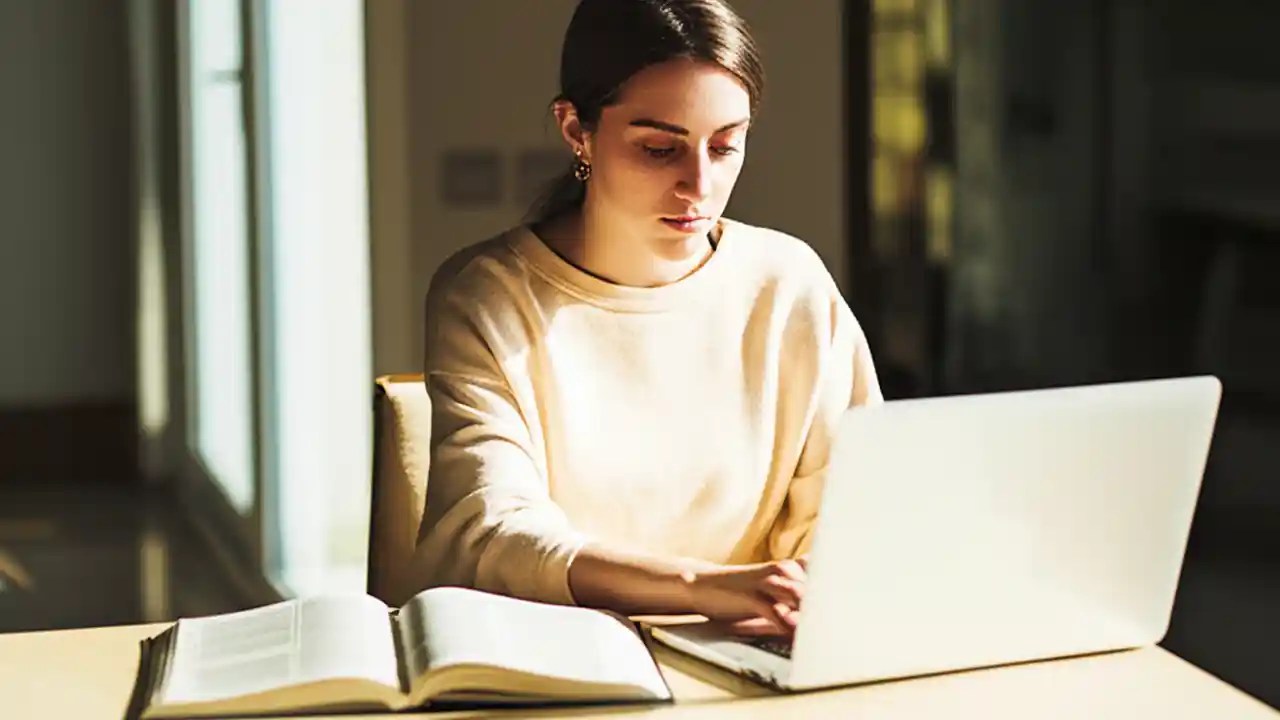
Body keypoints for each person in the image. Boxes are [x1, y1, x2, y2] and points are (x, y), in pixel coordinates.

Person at [414, 0, 882, 636]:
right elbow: (491, 533)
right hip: (561, 662)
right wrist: (701, 587)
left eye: (725, 147)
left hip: (750, 662)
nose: (699, 185)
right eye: (660, 149)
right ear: (576, 129)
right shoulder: (491, 297)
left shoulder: (789, 286)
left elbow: (857, 519)